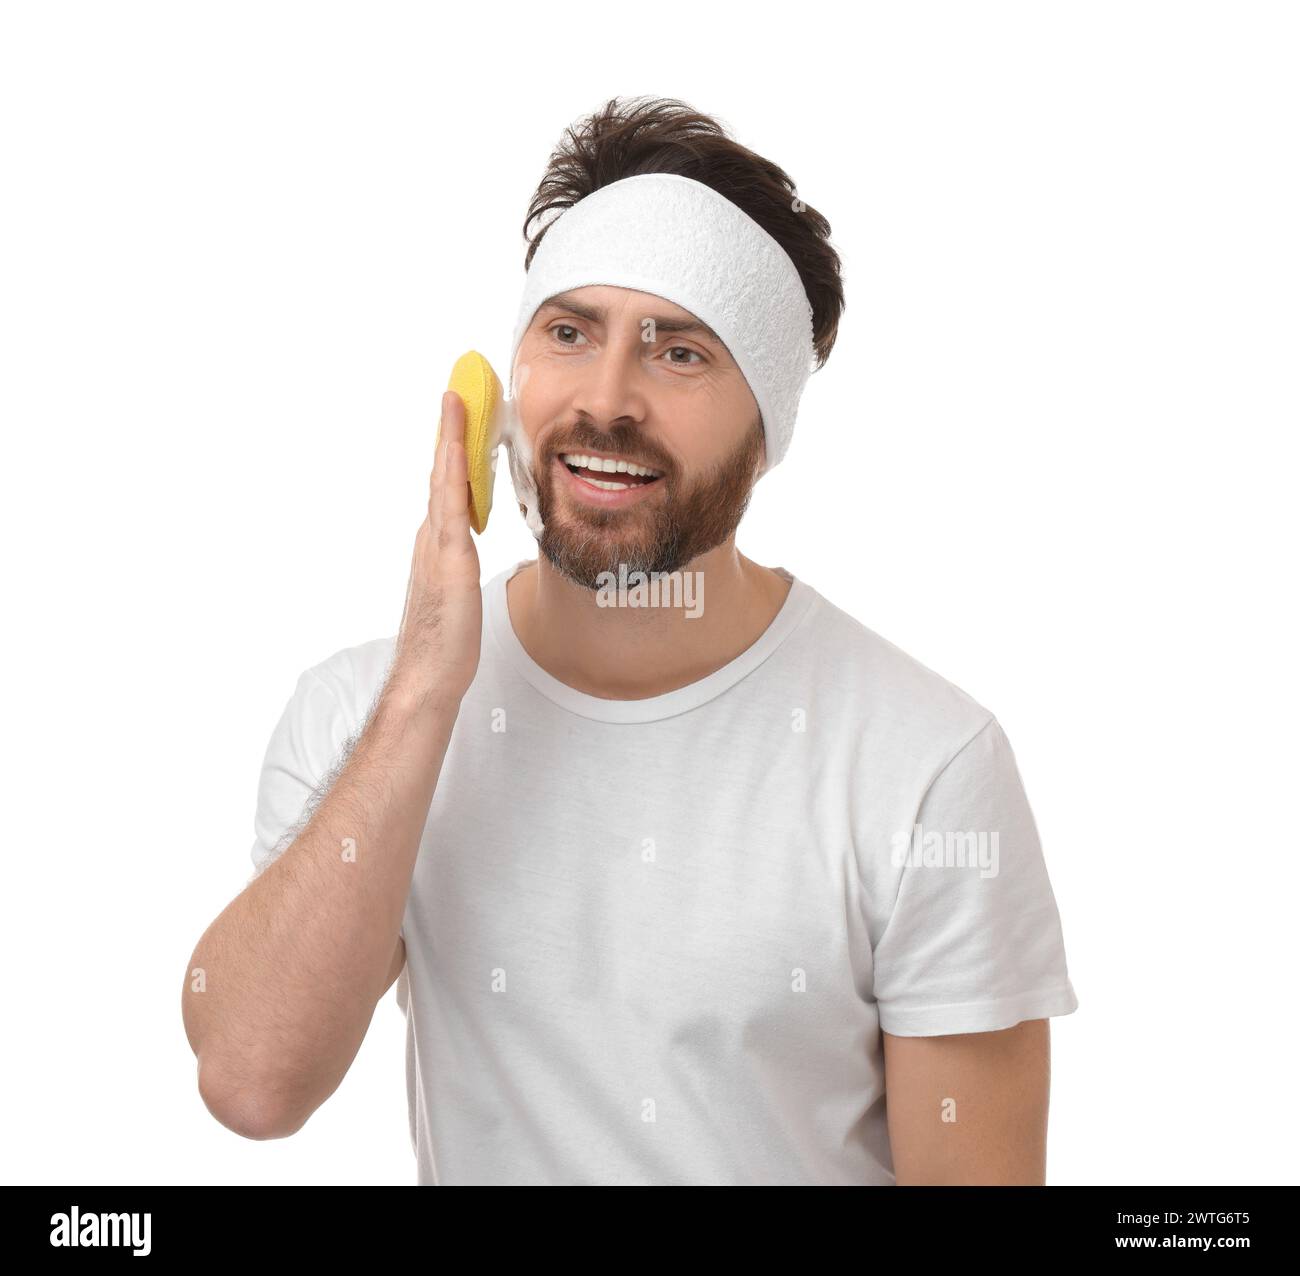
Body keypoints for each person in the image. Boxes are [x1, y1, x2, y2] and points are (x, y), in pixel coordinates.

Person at [182, 96, 1078, 1186]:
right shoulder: (368, 713)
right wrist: (427, 688)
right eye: (568, 332)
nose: (605, 402)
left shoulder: (923, 765)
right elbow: (251, 1081)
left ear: (767, 423)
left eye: (681, 353)